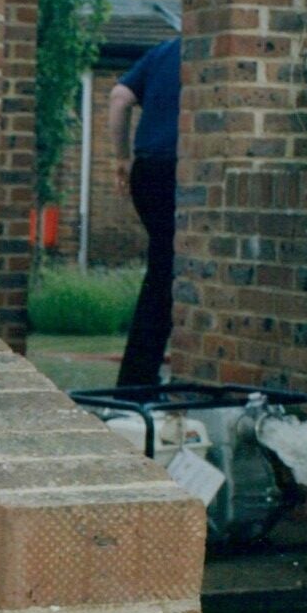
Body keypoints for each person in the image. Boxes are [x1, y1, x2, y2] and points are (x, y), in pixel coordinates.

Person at [107, 34, 181, 388]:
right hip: (178, 167)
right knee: (166, 273)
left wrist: (122, 158)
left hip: (147, 169)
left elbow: (119, 98)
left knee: (162, 268)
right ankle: (137, 382)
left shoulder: (162, 51)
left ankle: (138, 378)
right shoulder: (206, 52)